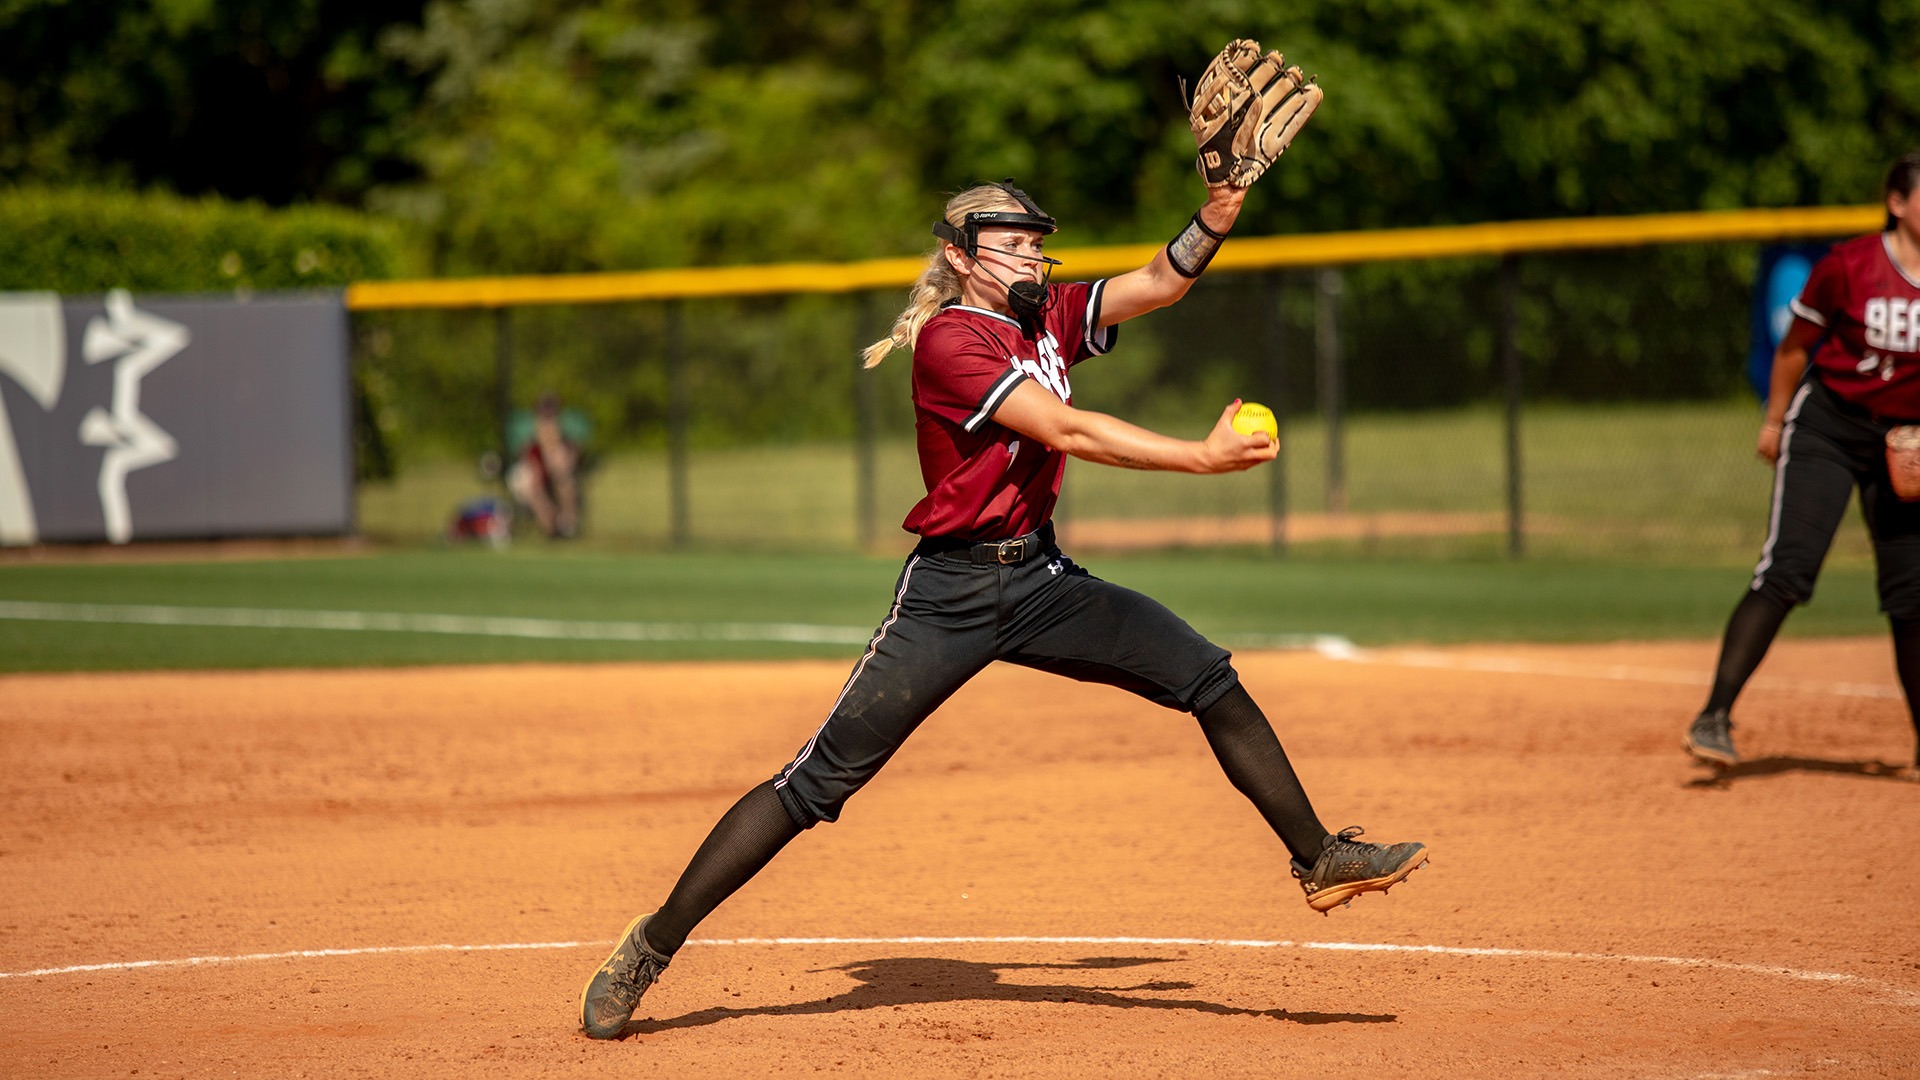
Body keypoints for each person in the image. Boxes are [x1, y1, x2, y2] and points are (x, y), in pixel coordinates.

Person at [581, 70, 1428, 1039]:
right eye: (1011, 242)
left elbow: (1159, 281)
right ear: (960, 254)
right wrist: (1199, 456)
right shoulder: (951, 341)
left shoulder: (1047, 315)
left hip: (1040, 578)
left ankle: (1318, 856)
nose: (1032, 253)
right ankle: (650, 947)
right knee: (817, 785)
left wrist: (1218, 207)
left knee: (1207, 676)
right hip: (948, 594)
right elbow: (1064, 431)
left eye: (1037, 241)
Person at [1684, 150, 1920, 776]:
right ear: (1897, 203)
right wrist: (1774, 420)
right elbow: (1794, 348)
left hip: (1904, 443)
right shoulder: (1851, 266)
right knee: (1788, 569)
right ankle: (1713, 716)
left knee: (1912, 595)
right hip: (1829, 427)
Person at [506, 392, 581, 539]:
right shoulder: (530, 440)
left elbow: (570, 459)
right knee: (535, 494)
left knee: (565, 480)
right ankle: (552, 527)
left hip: (550, 474)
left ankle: (566, 523)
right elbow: (530, 465)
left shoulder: (563, 440)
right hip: (529, 477)